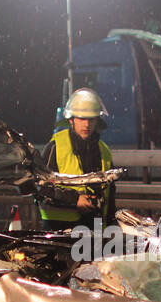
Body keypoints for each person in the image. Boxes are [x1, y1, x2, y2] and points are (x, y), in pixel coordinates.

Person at [39, 87, 115, 229]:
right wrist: (75, 200)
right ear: (71, 120)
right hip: (60, 229)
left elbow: (110, 195)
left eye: (91, 119)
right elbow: (41, 188)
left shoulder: (103, 151)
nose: (86, 124)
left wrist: (111, 225)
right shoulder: (55, 147)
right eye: (81, 118)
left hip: (95, 227)